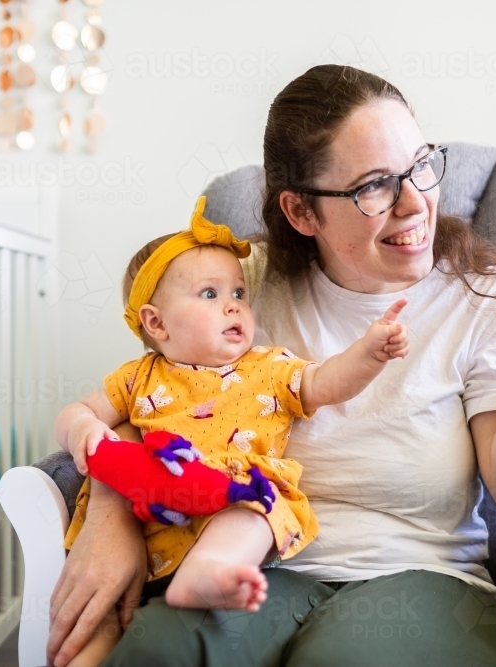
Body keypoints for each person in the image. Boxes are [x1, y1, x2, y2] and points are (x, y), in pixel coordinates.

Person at [47, 64, 496, 667]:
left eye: (421, 165)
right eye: (375, 186)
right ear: (301, 212)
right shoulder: (240, 293)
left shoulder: (484, 302)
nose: (416, 203)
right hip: (249, 565)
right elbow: (149, 400)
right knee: (155, 653)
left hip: (419, 573)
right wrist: (111, 517)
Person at [54, 197, 409, 665]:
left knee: (260, 502)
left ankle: (211, 570)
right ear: (156, 322)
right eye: (210, 294)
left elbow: (325, 383)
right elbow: (77, 410)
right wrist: (82, 429)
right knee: (98, 631)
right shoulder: (137, 377)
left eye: (239, 293)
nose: (233, 307)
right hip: (150, 523)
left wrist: (368, 353)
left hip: (229, 496)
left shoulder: (270, 366)